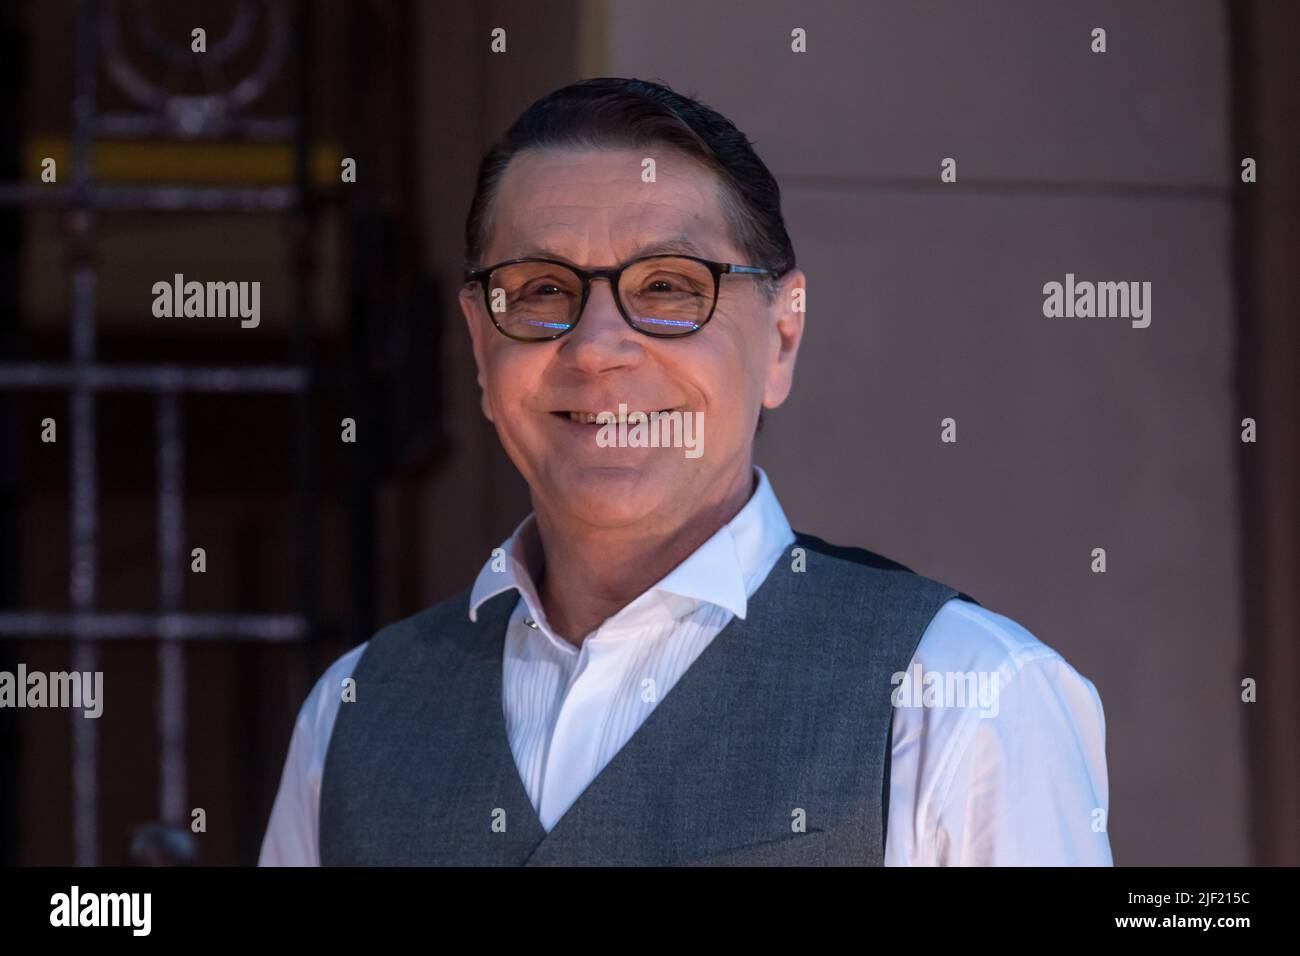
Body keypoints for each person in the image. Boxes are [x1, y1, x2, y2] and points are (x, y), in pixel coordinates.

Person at [260, 77, 1112, 866]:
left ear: (782, 338)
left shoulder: (966, 699)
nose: (597, 349)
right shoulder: (353, 714)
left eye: (670, 286)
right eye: (543, 289)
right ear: (483, 347)